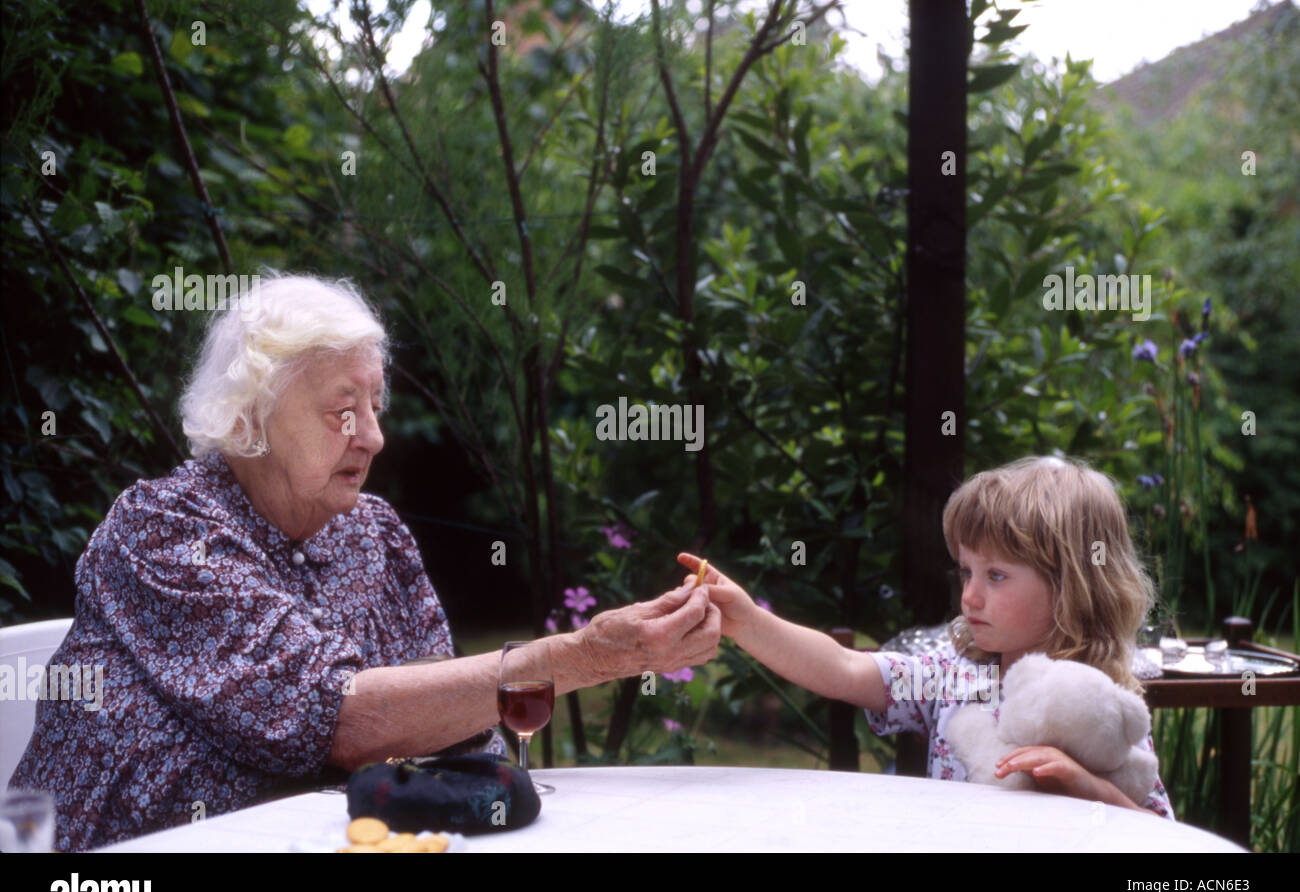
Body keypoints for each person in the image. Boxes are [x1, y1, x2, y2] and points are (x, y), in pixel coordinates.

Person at [10, 273, 720, 851]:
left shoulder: (371, 532)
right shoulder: (163, 531)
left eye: (376, 405)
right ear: (251, 414)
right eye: (343, 409)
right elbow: (337, 720)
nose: (374, 436)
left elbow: (451, 725)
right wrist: (585, 654)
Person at [679, 455, 1174, 818]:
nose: (970, 597)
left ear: (1071, 584)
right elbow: (844, 668)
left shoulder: (1098, 701)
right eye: (966, 572)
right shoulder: (950, 673)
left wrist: (1081, 784)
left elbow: (1157, 834)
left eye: (996, 576)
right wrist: (746, 621)